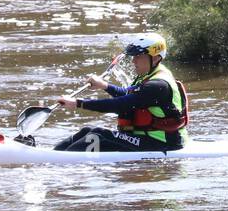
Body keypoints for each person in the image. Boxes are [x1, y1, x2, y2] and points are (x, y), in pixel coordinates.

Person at [54, 32, 190, 152]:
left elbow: (121, 104)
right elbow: (128, 94)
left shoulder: (159, 85)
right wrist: (104, 86)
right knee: (87, 131)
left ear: (155, 58)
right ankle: (53, 154)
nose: (133, 61)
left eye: (138, 56)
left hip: (164, 143)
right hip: (146, 138)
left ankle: (56, 162)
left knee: (95, 136)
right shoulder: (148, 75)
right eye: (133, 56)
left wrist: (78, 103)